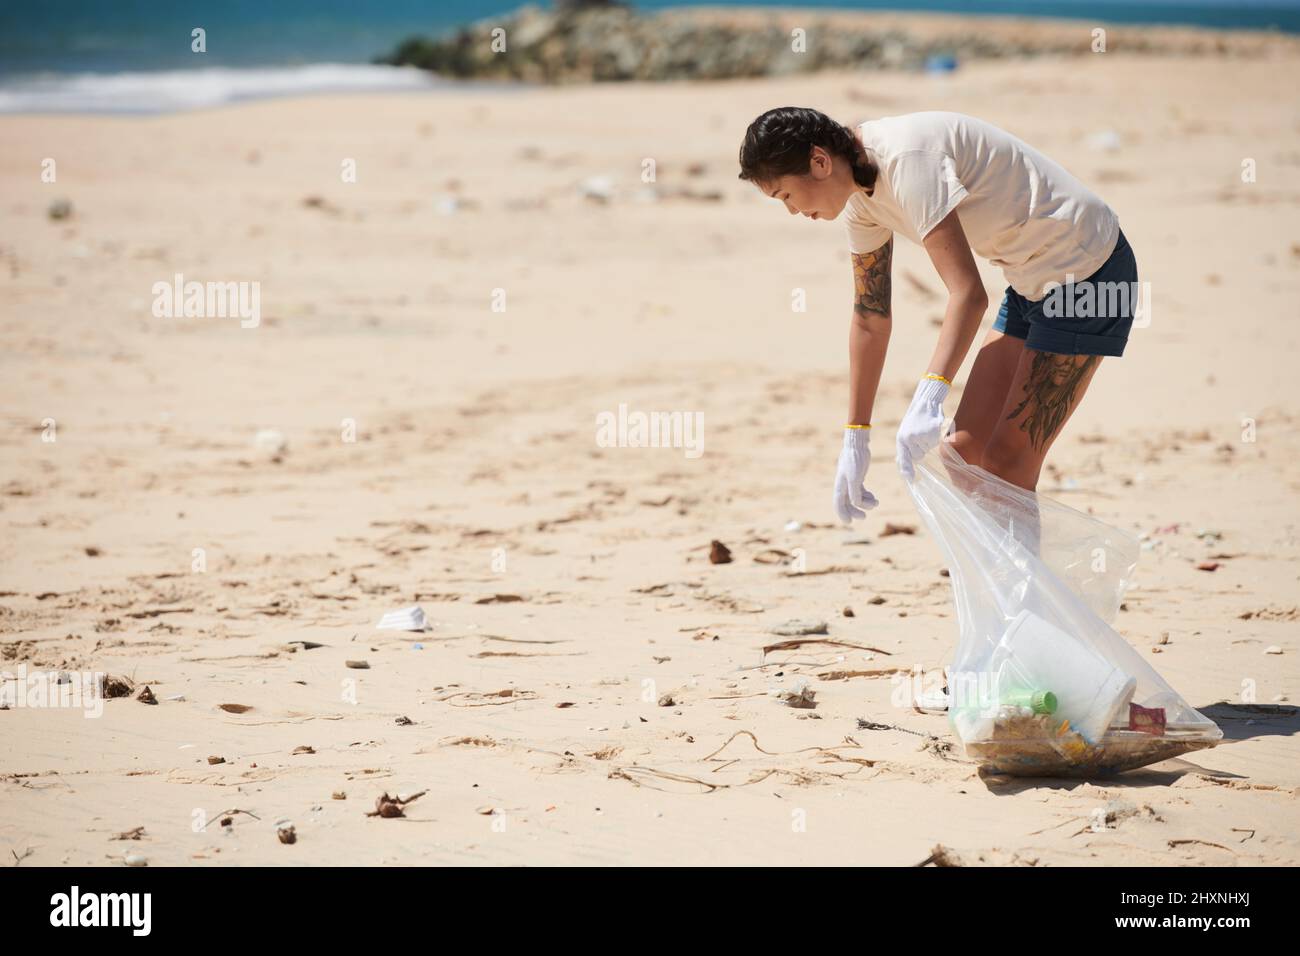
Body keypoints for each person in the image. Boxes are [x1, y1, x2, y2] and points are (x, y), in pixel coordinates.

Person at [736, 108, 1139, 539]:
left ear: (819, 162)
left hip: (1090, 273)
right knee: (963, 457)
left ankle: (1027, 604)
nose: (793, 212)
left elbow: (968, 294)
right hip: (1030, 282)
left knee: (1007, 461)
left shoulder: (908, 161)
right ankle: (1011, 597)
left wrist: (929, 394)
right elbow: (871, 316)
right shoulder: (860, 201)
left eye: (785, 196)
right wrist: (856, 436)